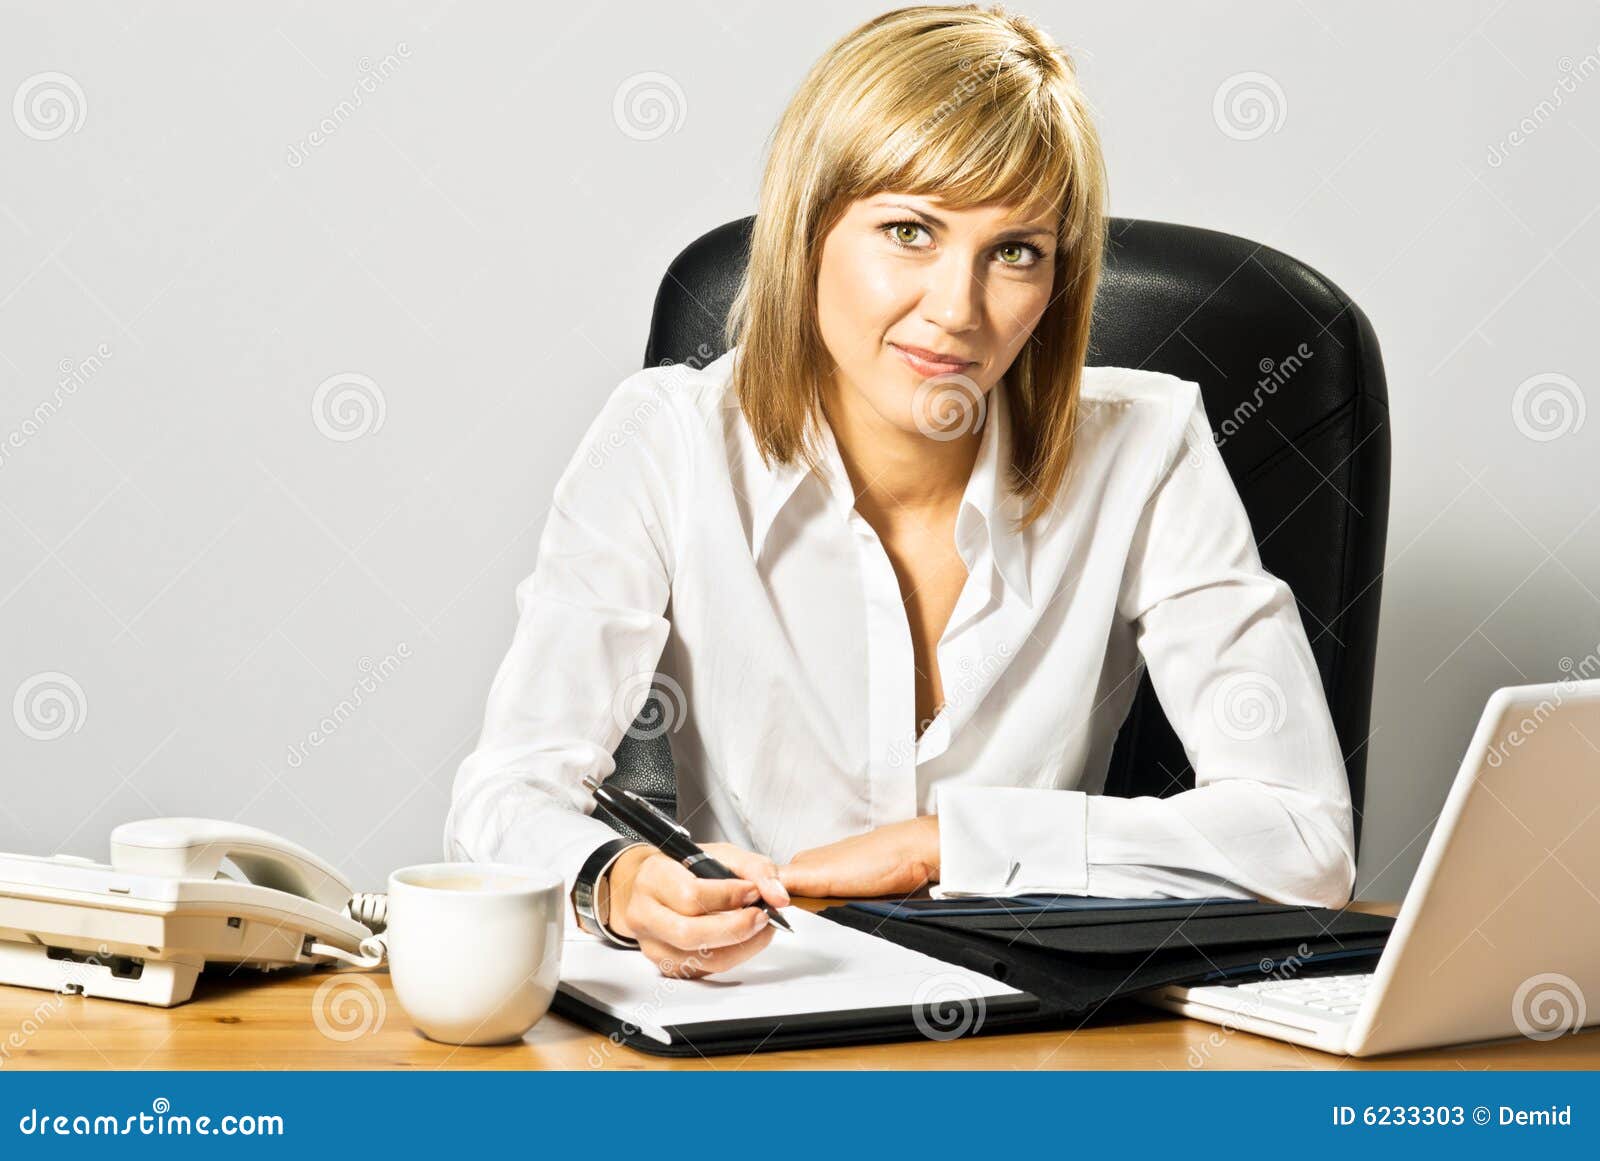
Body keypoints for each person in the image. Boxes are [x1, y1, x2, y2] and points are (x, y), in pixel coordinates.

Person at [444, 3, 1356, 978]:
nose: (957, 310)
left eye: (1014, 252)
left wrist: (949, 845)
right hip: (761, 1008)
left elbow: (1302, 840)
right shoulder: (666, 441)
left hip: (1030, 1037)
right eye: (908, 230)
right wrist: (616, 884)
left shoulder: (1145, 449)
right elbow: (501, 801)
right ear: (809, 231)